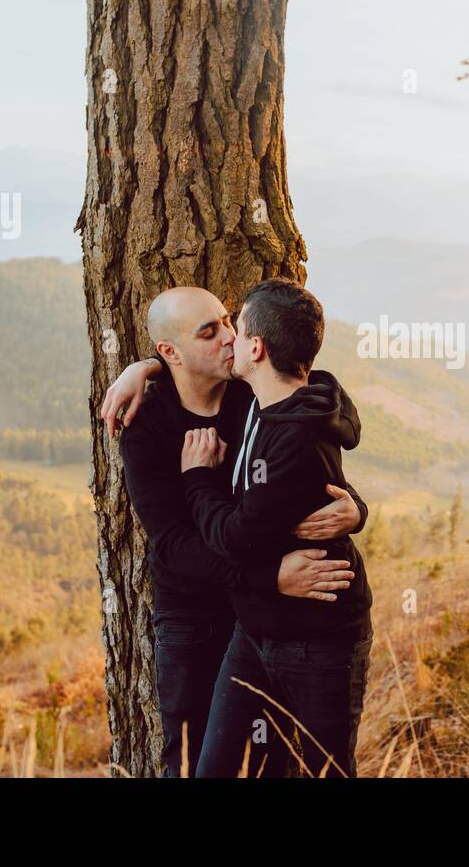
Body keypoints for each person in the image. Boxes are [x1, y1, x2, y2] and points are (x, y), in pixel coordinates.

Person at [100, 286, 366, 777]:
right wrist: (270, 577)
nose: (227, 338)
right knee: (192, 757)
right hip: (194, 616)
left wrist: (355, 511)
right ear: (170, 353)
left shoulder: (252, 392)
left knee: (270, 760)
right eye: (209, 331)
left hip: (267, 621)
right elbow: (176, 546)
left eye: (228, 323)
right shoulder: (148, 425)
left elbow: (318, 441)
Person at [180, 279, 374, 778]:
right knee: (213, 769)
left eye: (238, 331)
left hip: (321, 639)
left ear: (258, 348)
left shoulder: (293, 438)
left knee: (324, 771)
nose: (230, 340)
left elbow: (233, 538)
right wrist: (139, 372)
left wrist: (198, 477)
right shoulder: (270, 401)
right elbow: (333, 485)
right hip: (255, 631)